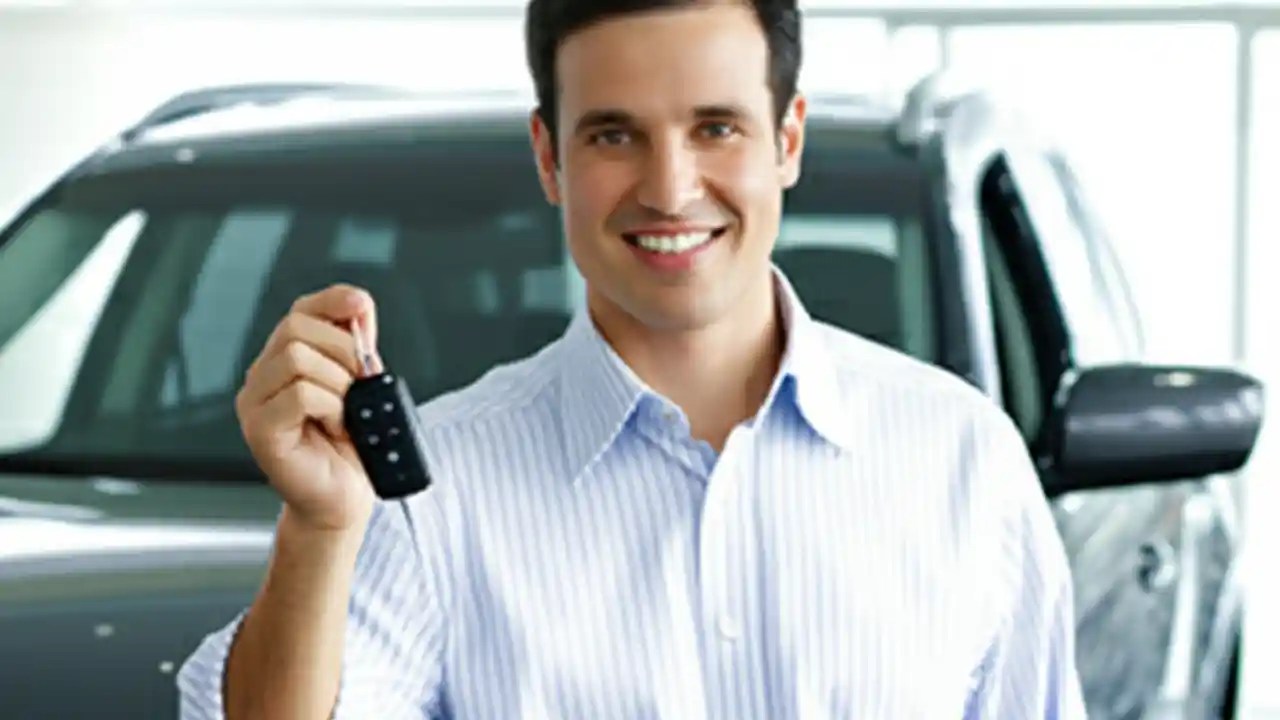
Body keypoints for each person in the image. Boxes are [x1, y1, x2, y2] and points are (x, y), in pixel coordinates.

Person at [177, 1, 1087, 718]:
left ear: (788, 140)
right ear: (549, 157)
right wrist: (320, 530)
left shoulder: (962, 455)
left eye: (716, 128)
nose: (669, 188)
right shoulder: (429, 496)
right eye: (614, 135)